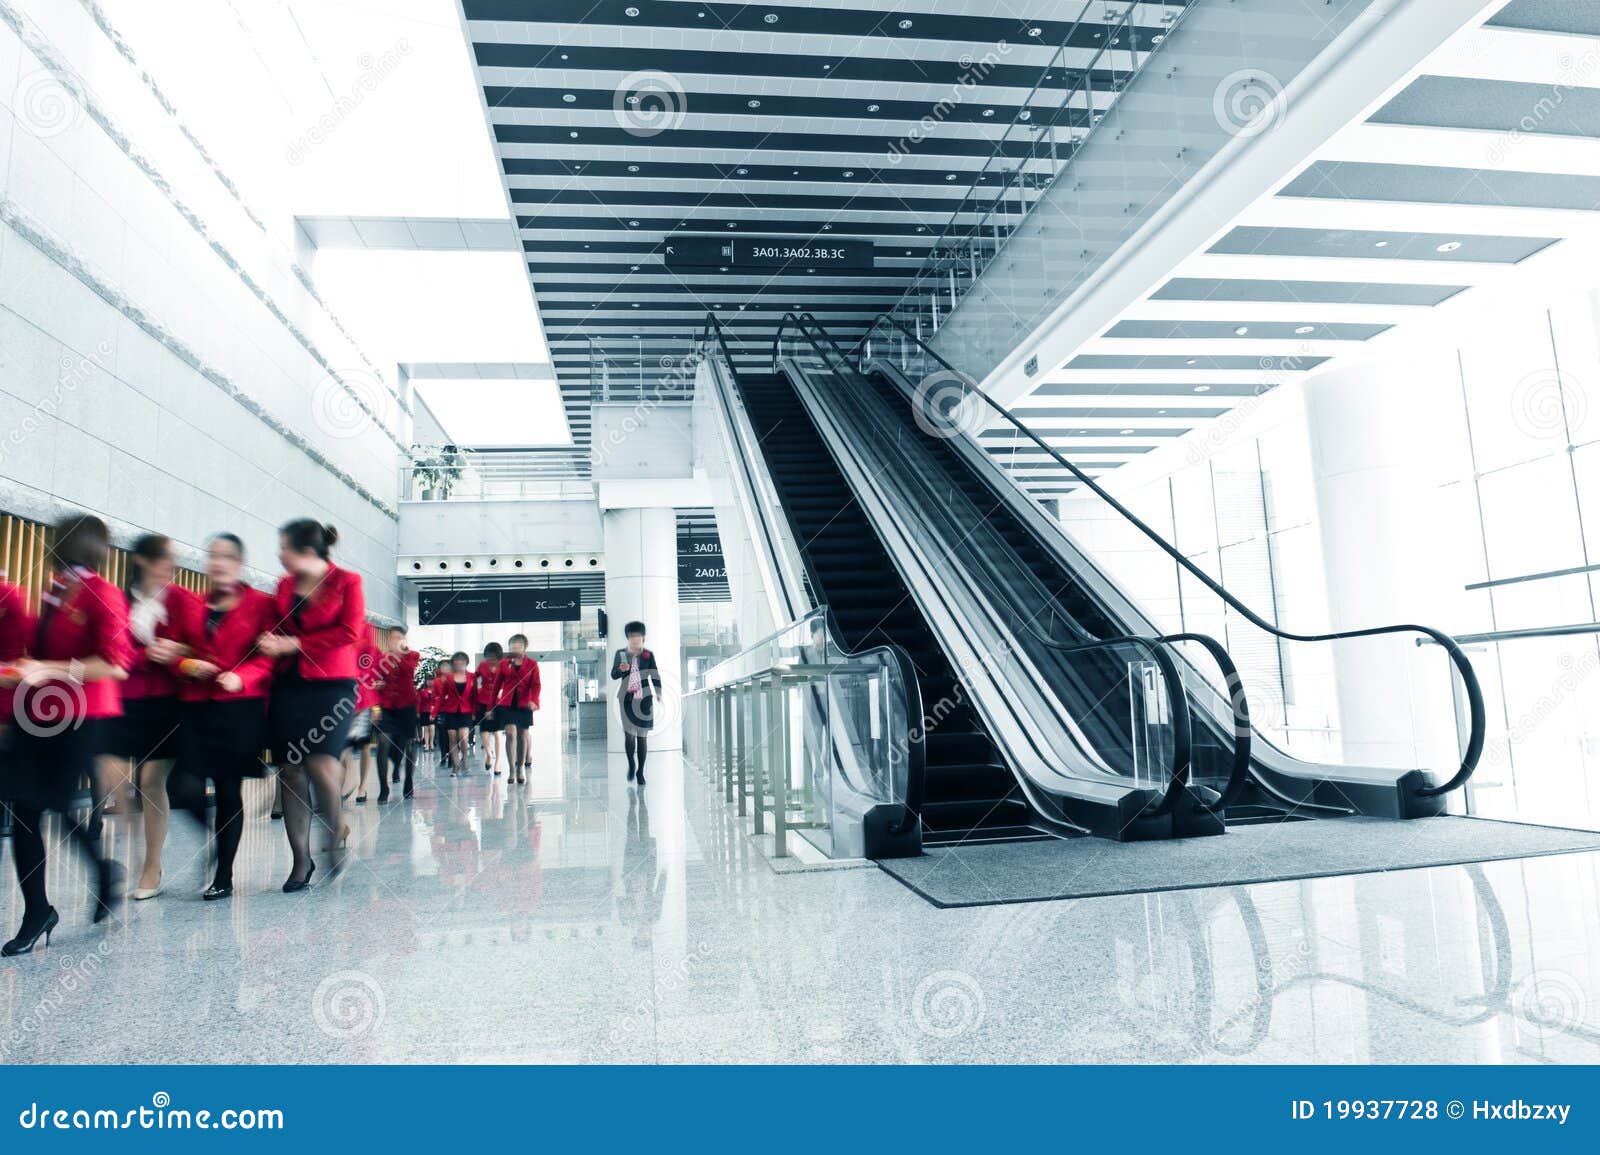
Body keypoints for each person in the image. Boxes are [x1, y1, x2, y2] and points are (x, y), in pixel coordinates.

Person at [1, 514, 131, 954]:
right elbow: (37, 656)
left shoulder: (104, 593)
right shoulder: (55, 589)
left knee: (49, 804)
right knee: (26, 807)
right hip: (37, 712)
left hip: (82, 716)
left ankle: (102, 872)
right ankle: (38, 910)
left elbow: (114, 664)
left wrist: (50, 670)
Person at [167, 532, 275, 900]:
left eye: (226, 556)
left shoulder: (260, 603)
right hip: (197, 705)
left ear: (239, 563)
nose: (218, 562)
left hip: (239, 709)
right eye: (213, 555)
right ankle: (213, 838)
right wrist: (185, 663)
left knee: (229, 790)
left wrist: (240, 677)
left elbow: (268, 657)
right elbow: (180, 651)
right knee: (180, 786)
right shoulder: (194, 605)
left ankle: (224, 875)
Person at [258, 520, 364, 892]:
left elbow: (350, 632)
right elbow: (274, 625)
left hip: (332, 685)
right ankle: (301, 860)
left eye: (283, 546)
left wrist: (295, 645)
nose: (279, 554)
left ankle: (334, 829)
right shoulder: (285, 585)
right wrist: (271, 643)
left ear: (305, 551)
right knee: (290, 770)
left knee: (320, 761)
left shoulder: (347, 582)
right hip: (289, 685)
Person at [103, 534, 202, 901]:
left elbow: (201, 644)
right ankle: (127, 847)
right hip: (125, 697)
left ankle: (152, 864)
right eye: (164, 559)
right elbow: (114, 647)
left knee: (150, 779)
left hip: (165, 699)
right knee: (109, 770)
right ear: (143, 560)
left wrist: (180, 650)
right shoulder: (119, 597)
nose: (171, 566)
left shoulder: (180, 599)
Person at [610, 621, 661, 786]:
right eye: (631, 636)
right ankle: (631, 764)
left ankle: (640, 771)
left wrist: (659, 692)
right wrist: (621, 670)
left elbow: (655, 675)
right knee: (630, 736)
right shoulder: (620, 654)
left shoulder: (648, 655)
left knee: (642, 737)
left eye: (637, 635)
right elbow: (613, 675)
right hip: (626, 699)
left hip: (645, 700)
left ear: (643, 637)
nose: (634, 638)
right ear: (627, 638)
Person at [374, 625, 419, 802]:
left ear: (404, 639)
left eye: (399, 637)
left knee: (409, 745)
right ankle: (383, 787)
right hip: (387, 706)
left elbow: (407, 672)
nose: (396, 641)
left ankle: (409, 781)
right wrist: (378, 687)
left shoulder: (413, 656)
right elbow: (377, 679)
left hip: (407, 706)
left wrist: (399, 654)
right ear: (388, 640)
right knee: (383, 742)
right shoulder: (381, 659)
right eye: (393, 638)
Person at [344, 624, 383, 803]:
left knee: (365, 746)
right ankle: (347, 783)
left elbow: (381, 678)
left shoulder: (373, 651)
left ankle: (362, 787)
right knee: (343, 746)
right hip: (343, 702)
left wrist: (376, 706)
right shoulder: (343, 645)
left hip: (366, 703)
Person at [494, 634, 540, 785]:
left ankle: (520, 767)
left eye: (517, 647)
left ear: (524, 648)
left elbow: (536, 685)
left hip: (524, 704)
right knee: (510, 733)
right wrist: (490, 705)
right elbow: (497, 685)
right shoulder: (504, 663)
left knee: (522, 735)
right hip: (507, 704)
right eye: (511, 647)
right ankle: (512, 770)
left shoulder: (532, 664)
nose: (514, 649)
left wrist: (534, 700)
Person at [432, 652, 475, 776]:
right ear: (453, 664)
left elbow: (474, 696)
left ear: (466, 663)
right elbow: (440, 698)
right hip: (451, 711)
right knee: (452, 738)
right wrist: (434, 712)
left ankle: (465, 760)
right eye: (456, 662)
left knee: (463, 737)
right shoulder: (449, 678)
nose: (459, 664)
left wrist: (475, 712)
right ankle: (455, 766)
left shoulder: (472, 677)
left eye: (462, 662)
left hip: (466, 711)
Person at [475, 642, 503, 775]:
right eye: (488, 656)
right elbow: (473, 679)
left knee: (497, 732)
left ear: (498, 656)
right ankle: (489, 754)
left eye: (492, 656)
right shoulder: (482, 665)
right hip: (483, 700)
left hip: (498, 701)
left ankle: (498, 763)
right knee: (484, 731)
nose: (490, 659)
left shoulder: (503, 666)